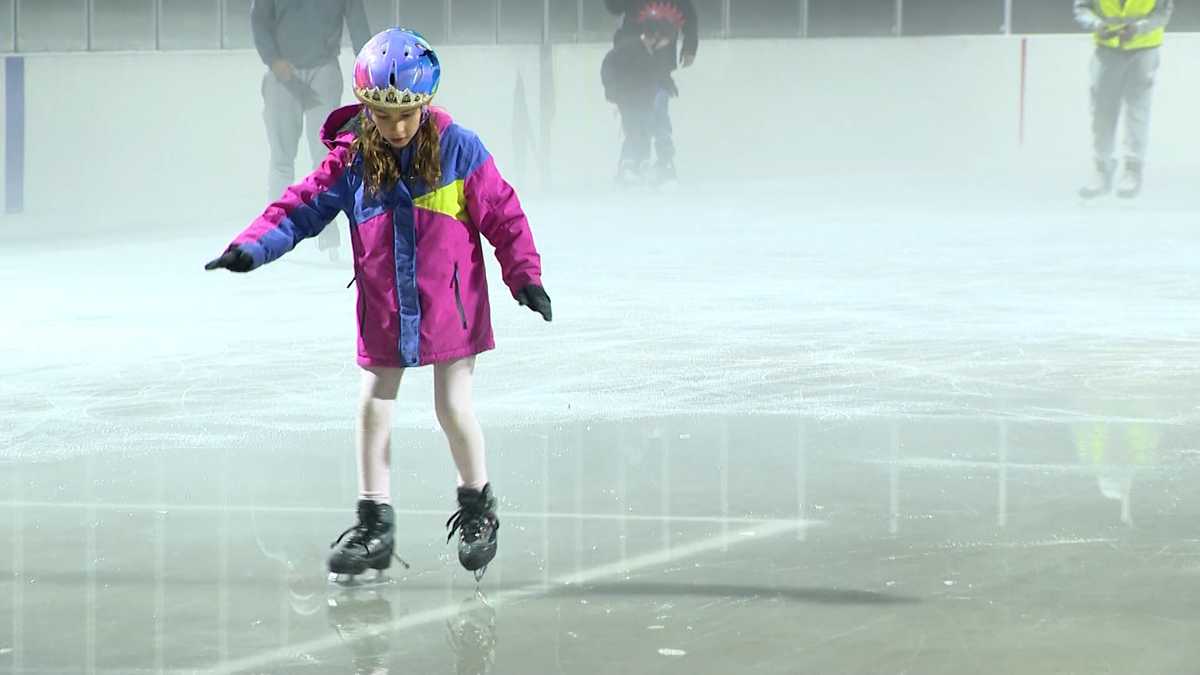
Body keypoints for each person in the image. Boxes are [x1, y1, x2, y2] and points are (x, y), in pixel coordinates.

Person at [205, 28, 553, 582]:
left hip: (451, 306)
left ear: (424, 105)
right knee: (373, 405)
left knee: (453, 407)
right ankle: (374, 524)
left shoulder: (460, 150)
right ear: (365, 108)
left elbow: (504, 216)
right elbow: (298, 211)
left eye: (406, 115)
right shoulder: (351, 162)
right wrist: (250, 248)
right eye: (382, 116)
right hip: (386, 307)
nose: (394, 128)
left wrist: (525, 277)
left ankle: (479, 509)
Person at [251, 0, 373, 258]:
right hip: (283, 75)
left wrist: (370, 67)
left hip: (323, 69)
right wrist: (273, 60)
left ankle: (327, 235)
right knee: (282, 157)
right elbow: (259, 20)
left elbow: (358, 25)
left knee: (325, 156)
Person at [1074, 0, 1174, 199]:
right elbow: (1082, 8)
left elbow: (1163, 12)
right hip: (1107, 49)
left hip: (1144, 47)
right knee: (1102, 113)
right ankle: (1102, 169)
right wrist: (1096, 24)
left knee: (1137, 111)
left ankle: (1132, 170)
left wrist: (1138, 28)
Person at [604, 0, 697, 184]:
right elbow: (614, 7)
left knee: (658, 112)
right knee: (636, 115)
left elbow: (688, 13)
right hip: (633, 65)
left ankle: (663, 163)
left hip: (659, 66)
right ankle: (633, 159)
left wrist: (690, 46)